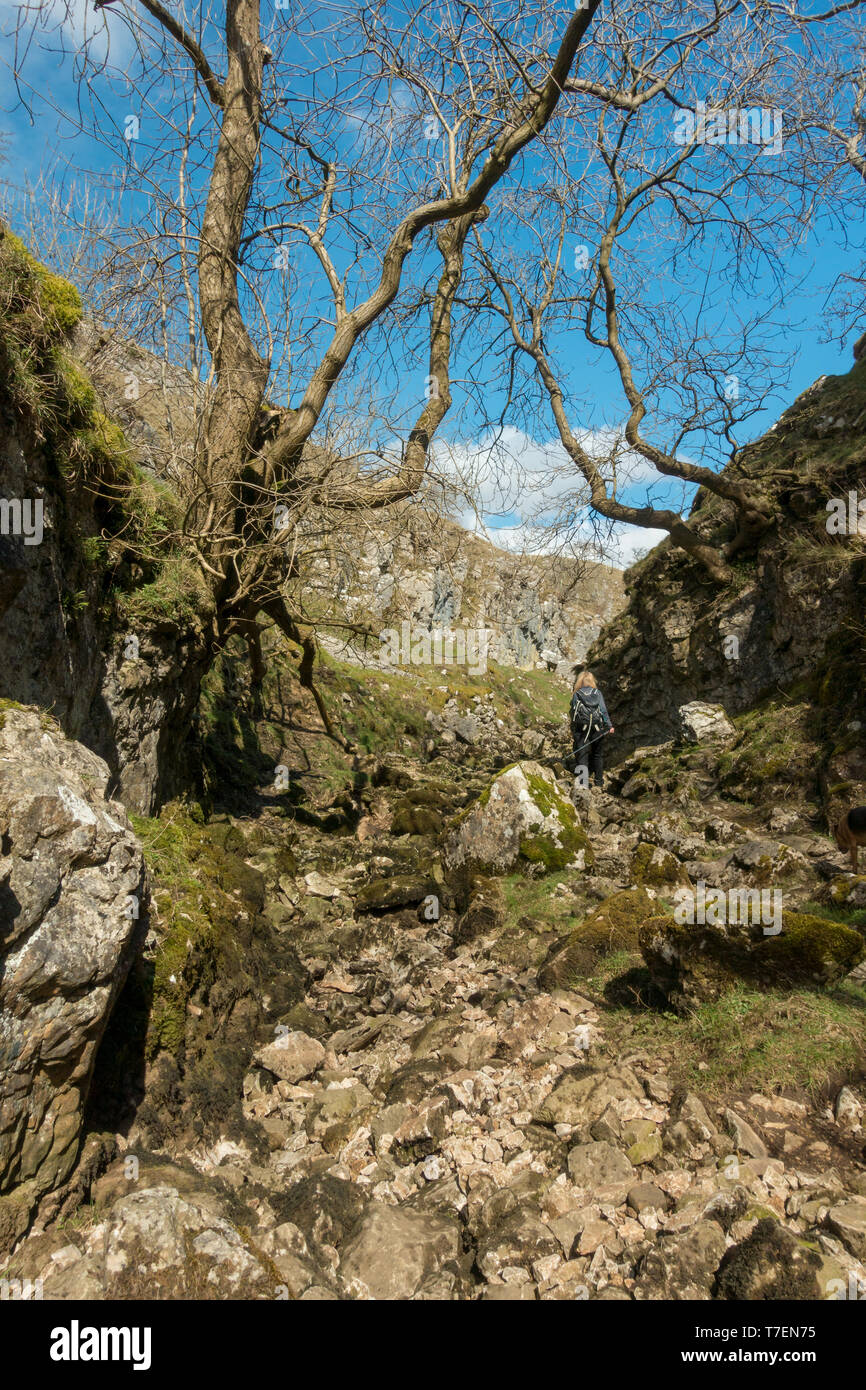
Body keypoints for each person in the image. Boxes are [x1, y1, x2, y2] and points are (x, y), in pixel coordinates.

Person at [570, 669, 614, 791]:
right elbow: (603, 711)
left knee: (582, 755)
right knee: (597, 754)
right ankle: (599, 782)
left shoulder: (577, 694)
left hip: (581, 729)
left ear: (580, 681)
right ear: (592, 681)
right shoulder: (597, 693)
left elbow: (573, 712)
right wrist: (609, 726)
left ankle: (583, 783)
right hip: (598, 728)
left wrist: (574, 729)